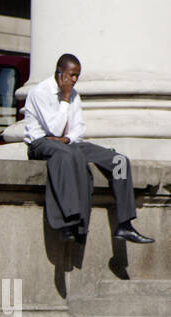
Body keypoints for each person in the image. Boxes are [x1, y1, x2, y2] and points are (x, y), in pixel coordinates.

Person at [23, 54, 154, 245]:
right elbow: (53, 129)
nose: (75, 80)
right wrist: (65, 99)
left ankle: (125, 224)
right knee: (69, 155)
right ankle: (70, 222)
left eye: (77, 76)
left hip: (68, 143)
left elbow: (79, 129)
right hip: (41, 143)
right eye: (72, 75)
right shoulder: (40, 92)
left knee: (120, 161)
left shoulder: (74, 94)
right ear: (60, 73)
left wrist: (67, 138)